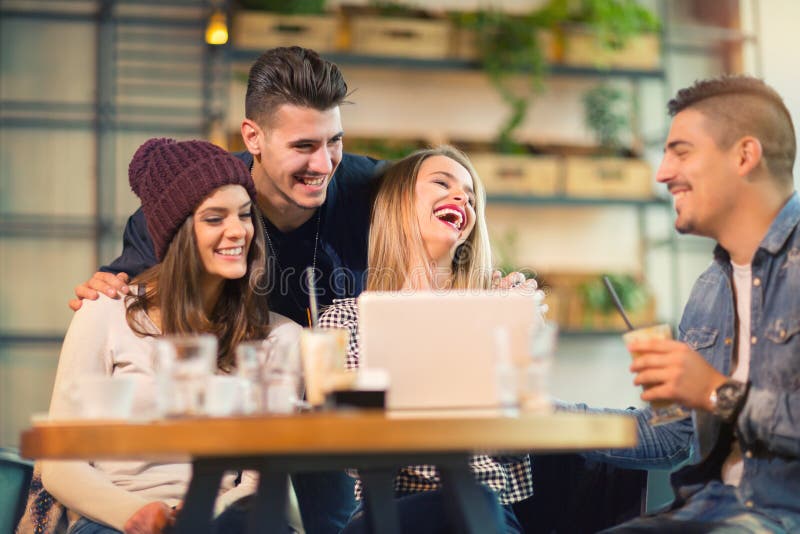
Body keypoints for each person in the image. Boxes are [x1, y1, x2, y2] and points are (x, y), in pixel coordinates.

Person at [66, 46, 529, 533]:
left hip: (327, 404)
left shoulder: (367, 185)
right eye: (304, 146)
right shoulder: (196, 205)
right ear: (254, 137)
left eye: (335, 142)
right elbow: (135, 294)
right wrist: (106, 288)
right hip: (244, 408)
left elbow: (444, 207)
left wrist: (484, 295)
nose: (325, 162)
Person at [35, 138, 301, 534]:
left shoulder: (280, 339)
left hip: (225, 520)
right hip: (115, 520)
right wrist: (135, 514)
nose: (237, 231)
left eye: (245, 215)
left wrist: (194, 518)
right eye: (214, 218)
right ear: (175, 236)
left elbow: (261, 481)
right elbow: (59, 463)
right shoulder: (105, 313)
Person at [571, 75, 799, 533]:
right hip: (708, 509)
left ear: (744, 155)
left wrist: (716, 392)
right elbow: (673, 437)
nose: (662, 173)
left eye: (682, 151)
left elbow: (716, 395)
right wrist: (547, 417)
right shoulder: (711, 288)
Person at [318, 146, 534, 533]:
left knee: (475, 500)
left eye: (470, 196)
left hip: (487, 506)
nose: (461, 198)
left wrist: (515, 334)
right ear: (399, 204)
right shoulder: (345, 318)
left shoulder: (496, 310)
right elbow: (346, 442)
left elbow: (514, 447)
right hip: (385, 508)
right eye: (442, 183)